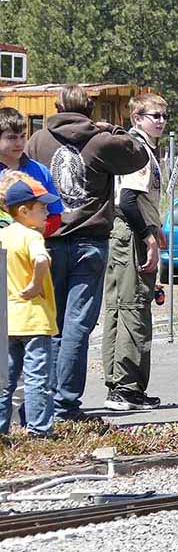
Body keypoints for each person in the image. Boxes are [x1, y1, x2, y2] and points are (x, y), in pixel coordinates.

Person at [26, 84, 149, 422]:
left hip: (49, 239)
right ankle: (66, 403)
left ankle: (41, 401)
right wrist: (115, 128)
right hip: (89, 242)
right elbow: (138, 154)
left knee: (49, 323)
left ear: (57, 106)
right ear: (90, 111)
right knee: (78, 325)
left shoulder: (38, 140)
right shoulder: (100, 140)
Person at [101, 93, 168, 411]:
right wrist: (148, 237)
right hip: (129, 235)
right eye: (154, 115)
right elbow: (127, 198)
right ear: (137, 118)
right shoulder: (137, 149)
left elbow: (139, 200)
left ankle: (121, 385)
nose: (161, 121)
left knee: (122, 306)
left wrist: (156, 227)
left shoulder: (141, 148)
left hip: (131, 232)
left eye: (164, 116)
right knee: (132, 307)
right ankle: (126, 387)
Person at [0, 172, 61, 436]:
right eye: (42, 207)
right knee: (38, 377)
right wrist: (36, 284)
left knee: (6, 379)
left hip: (9, 320)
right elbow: (40, 260)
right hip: (35, 319)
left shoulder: (5, 235)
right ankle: (39, 429)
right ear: (24, 211)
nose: (47, 212)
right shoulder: (32, 236)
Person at [0, 108, 64, 236]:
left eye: (23, 136)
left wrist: (35, 233)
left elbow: (55, 216)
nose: (19, 143)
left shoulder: (39, 171)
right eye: (12, 138)